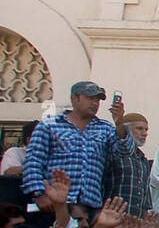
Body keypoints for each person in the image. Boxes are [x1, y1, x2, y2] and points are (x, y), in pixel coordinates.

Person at [23, 82, 117, 216]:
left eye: (97, 99)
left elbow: (123, 152)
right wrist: (39, 194)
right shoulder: (50, 125)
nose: (95, 103)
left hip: (89, 207)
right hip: (53, 204)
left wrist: (119, 123)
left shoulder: (106, 128)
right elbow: (33, 161)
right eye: (90, 98)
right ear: (75, 99)